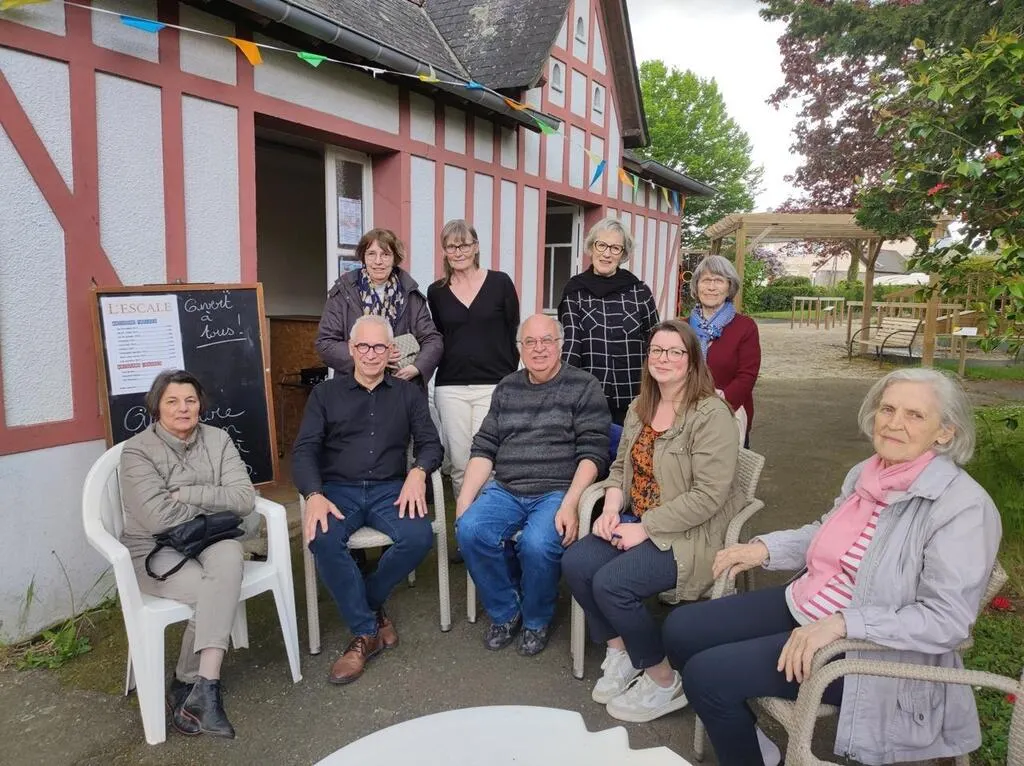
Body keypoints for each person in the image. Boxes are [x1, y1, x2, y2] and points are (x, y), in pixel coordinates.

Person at [662, 368, 1002, 766]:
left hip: (875, 651)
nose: (894, 423)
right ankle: (745, 736)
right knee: (681, 629)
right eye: (887, 409)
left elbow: (946, 620)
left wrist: (843, 623)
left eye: (915, 415)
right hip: (812, 602)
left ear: (945, 432)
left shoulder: (963, 508)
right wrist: (764, 549)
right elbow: (826, 531)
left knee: (708, 675)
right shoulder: (869, 472)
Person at [562, 320, 743, 723]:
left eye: (675, 352)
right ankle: (622, 651)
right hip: (637, 519)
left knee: (613, 584)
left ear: (692, 361)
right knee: (576, 562)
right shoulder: (641, 406)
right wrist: (611, 506)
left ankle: (664, 679)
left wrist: (645, 528)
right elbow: (621, 467)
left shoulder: (710, 415)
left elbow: (709, 496)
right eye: (657, 350)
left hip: (689, 533)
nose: (664, 359)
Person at [293, 315, 444, 685]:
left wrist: (418, 472)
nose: (371, 354)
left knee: (419, 537)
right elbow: (305, 450)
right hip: (338, 490)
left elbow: (431, 444)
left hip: (390, 489)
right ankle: (366, 630)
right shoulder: (325, 394)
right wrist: (313, 494)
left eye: (379, 346)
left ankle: (368, 603)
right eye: (363, 345)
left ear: (390, 350)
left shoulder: (408, 393)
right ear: (351, 348)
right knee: (322, 538)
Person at [455, 314, 611, 657]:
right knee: (469, 529)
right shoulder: (507, 387)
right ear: (520, 348)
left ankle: (537, 619)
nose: (539, 349)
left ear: (560, 345)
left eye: (547, 340)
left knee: (537, 544)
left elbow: (593, 453)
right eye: (530, 342)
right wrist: (465, 500)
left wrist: (571, 503)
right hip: (507, 488)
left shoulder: (584, 386)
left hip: (557, 490)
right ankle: (506, 611)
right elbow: (485, 447)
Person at [119, 370, 256, 739]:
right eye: (172, 401)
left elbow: (244, 499)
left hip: (211, 536)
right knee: (212, 593)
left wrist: (187, 494)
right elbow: (158, 518)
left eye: (190, 400)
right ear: (157, 407)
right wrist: (215, 500)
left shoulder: (218, 439)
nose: (183, 408)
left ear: (200, 405)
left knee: (229, 558)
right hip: (155, 547)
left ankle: (200, 685)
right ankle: (191, 684)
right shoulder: (137, 451)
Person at [427, 219, 520, 500]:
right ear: (444, 251)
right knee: (459, 465)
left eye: (464, 245)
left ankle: (489, 521)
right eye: (451, 247)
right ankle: (465, 521)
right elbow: (438, 337)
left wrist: (509, 378)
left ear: (476, 246)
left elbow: (514, 331)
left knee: (487, 463)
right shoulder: (436, 291)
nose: (458, 252)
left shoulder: (500, 282)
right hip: (451, 387)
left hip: (493, 385)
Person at [559, 216, 660, 425]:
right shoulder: (575, 292)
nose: (607, 253)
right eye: (601, 245)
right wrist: (564, 394)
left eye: (615, 248)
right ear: (591, 247)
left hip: (636, 397)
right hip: (590, 398)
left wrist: (658, 390)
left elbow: (655, 343)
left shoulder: (640, 291)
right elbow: (571, 346)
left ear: (623, 254)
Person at [316, 228, 443, 387]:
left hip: (400, 385)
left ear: (395, 258)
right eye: (371, 254)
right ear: (363, 257)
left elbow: (432, 339)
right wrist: (371, 357)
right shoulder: (343, 293)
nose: (378, 261)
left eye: (385, 254)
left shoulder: (410, 293)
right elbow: (325, 343)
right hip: (354, 387)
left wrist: (417, 367)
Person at [688, 255, 761, 444]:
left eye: (719, 280)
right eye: (706, 280)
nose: (711, 287)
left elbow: (747, 376)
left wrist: (714, 409)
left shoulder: (745, 327)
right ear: (697, 286)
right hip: (684, 416)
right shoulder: (683, 327)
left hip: (728, 414)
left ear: (729, 286)